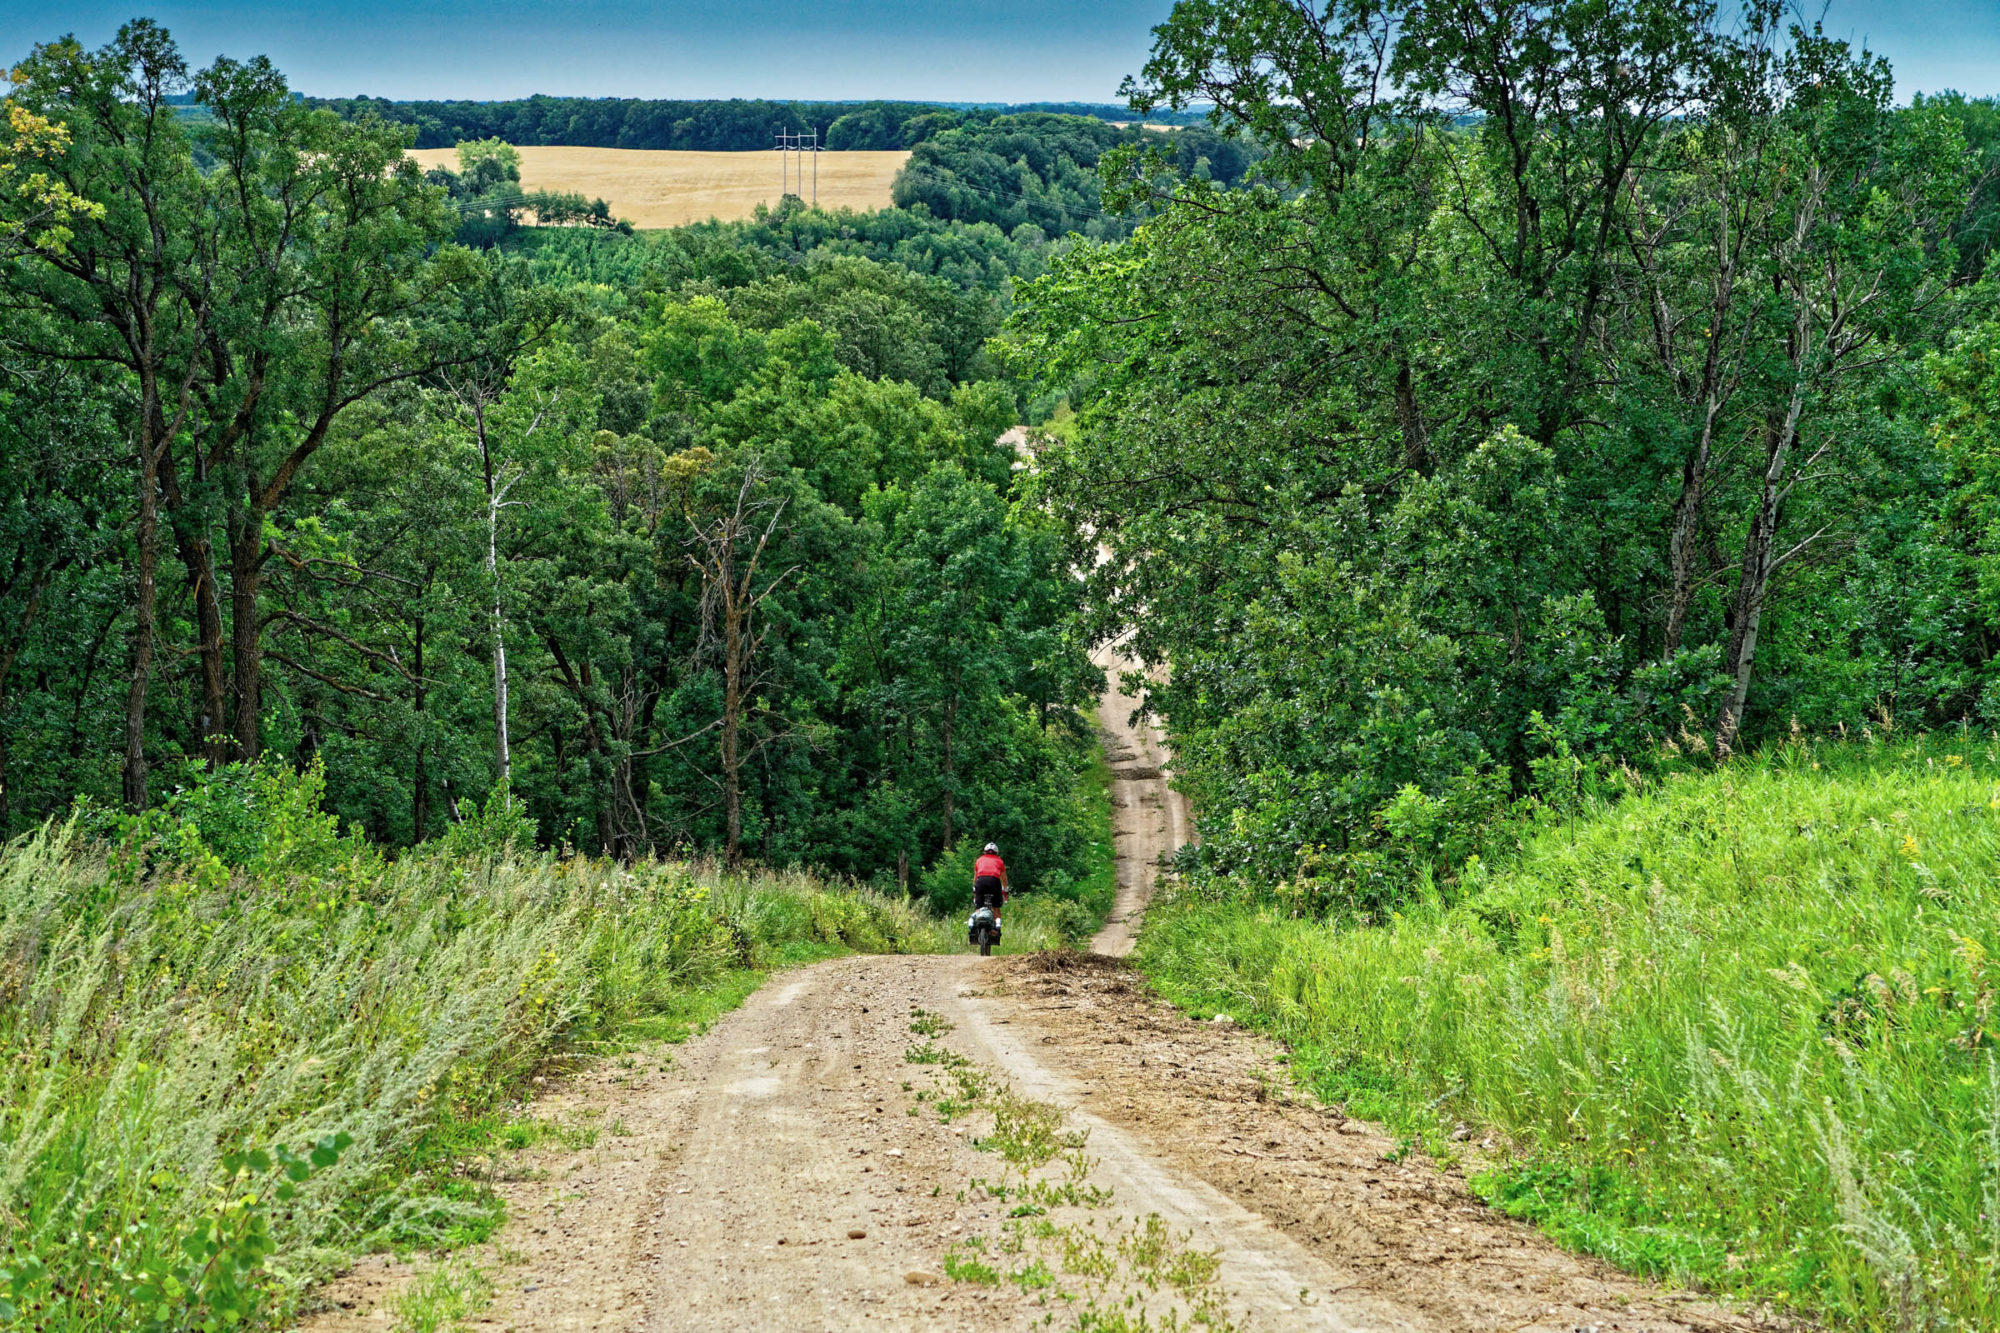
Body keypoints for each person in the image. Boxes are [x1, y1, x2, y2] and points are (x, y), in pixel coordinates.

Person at [972, 842, 1008, 925]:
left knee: (979, 907)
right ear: (996, 853)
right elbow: (1004, 879)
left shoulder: (979, 860)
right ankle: (996, 930)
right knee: (996, 908)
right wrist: (1005, 889)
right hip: (994, 882)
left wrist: (975, 889)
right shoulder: (999, 861)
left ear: (985, 852)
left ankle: (976, 929)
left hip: (980, 881)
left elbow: (975, 878)